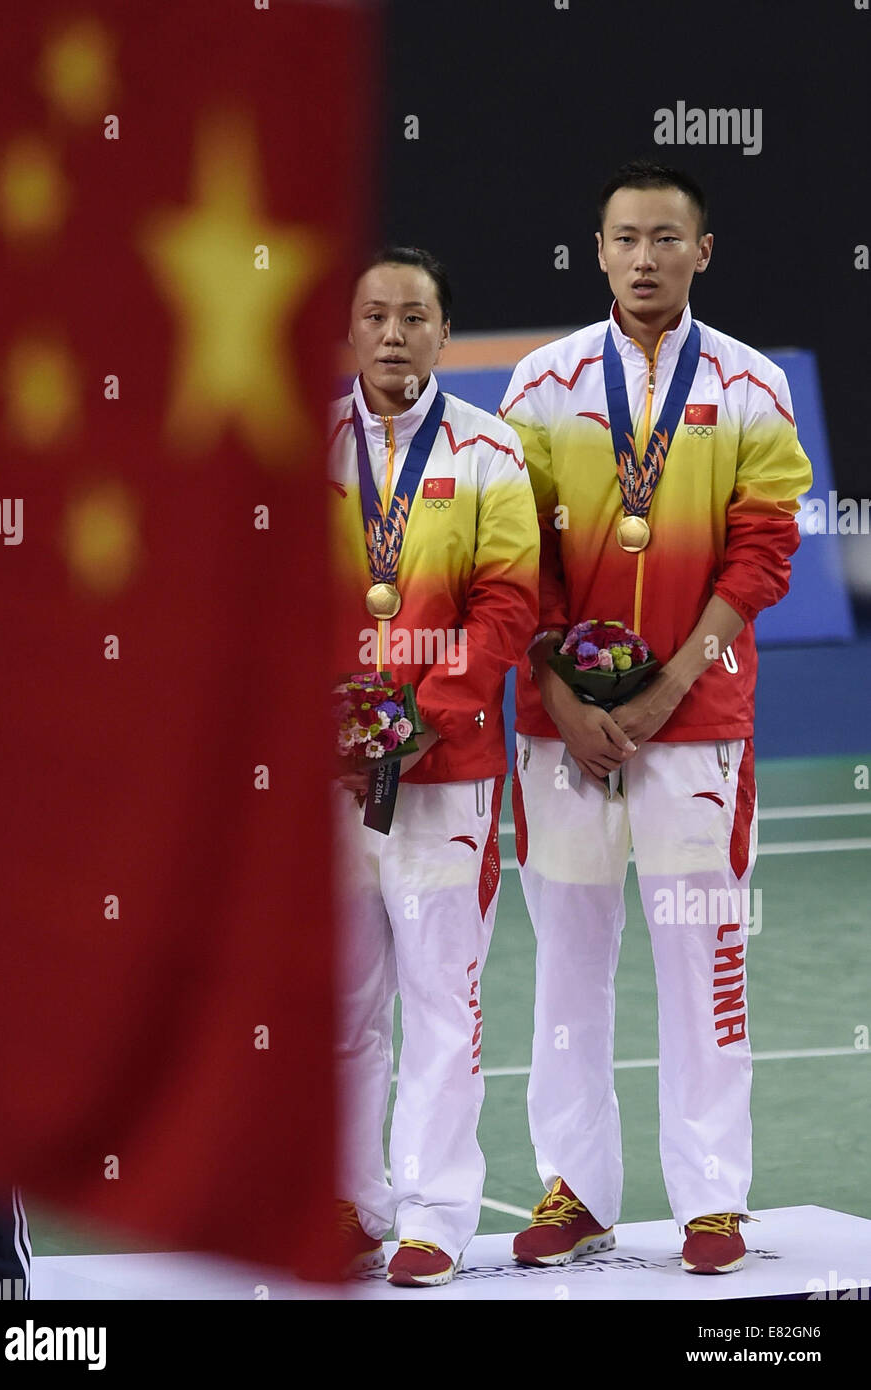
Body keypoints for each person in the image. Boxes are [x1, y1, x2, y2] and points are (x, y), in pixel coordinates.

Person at [498, 160, 812, 1274]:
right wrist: (559, 693)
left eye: (666, 239)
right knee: (566, 966)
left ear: (702, 251)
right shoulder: (540, 382)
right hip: (563, 733)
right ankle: (575, 1190)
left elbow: (764, 549)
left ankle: (711, 1201)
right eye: (625, 238)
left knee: (702, 961)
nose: (644, 257)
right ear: (597, 250)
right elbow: (510, 555)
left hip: (700, 720)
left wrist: (675, 681)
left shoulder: (748, 386)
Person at [330, 246, 539, 1287]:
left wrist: (423, 710)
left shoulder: (492, 452)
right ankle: (347, 1200)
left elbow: (507, 607)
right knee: (342, 1001)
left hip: (445, 772)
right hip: (326, 781)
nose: (396, 333)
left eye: (417, 315)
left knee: (441, 1004)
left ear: (445, 334)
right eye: (376, 315)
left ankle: (435, 1216)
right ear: (350, 331)